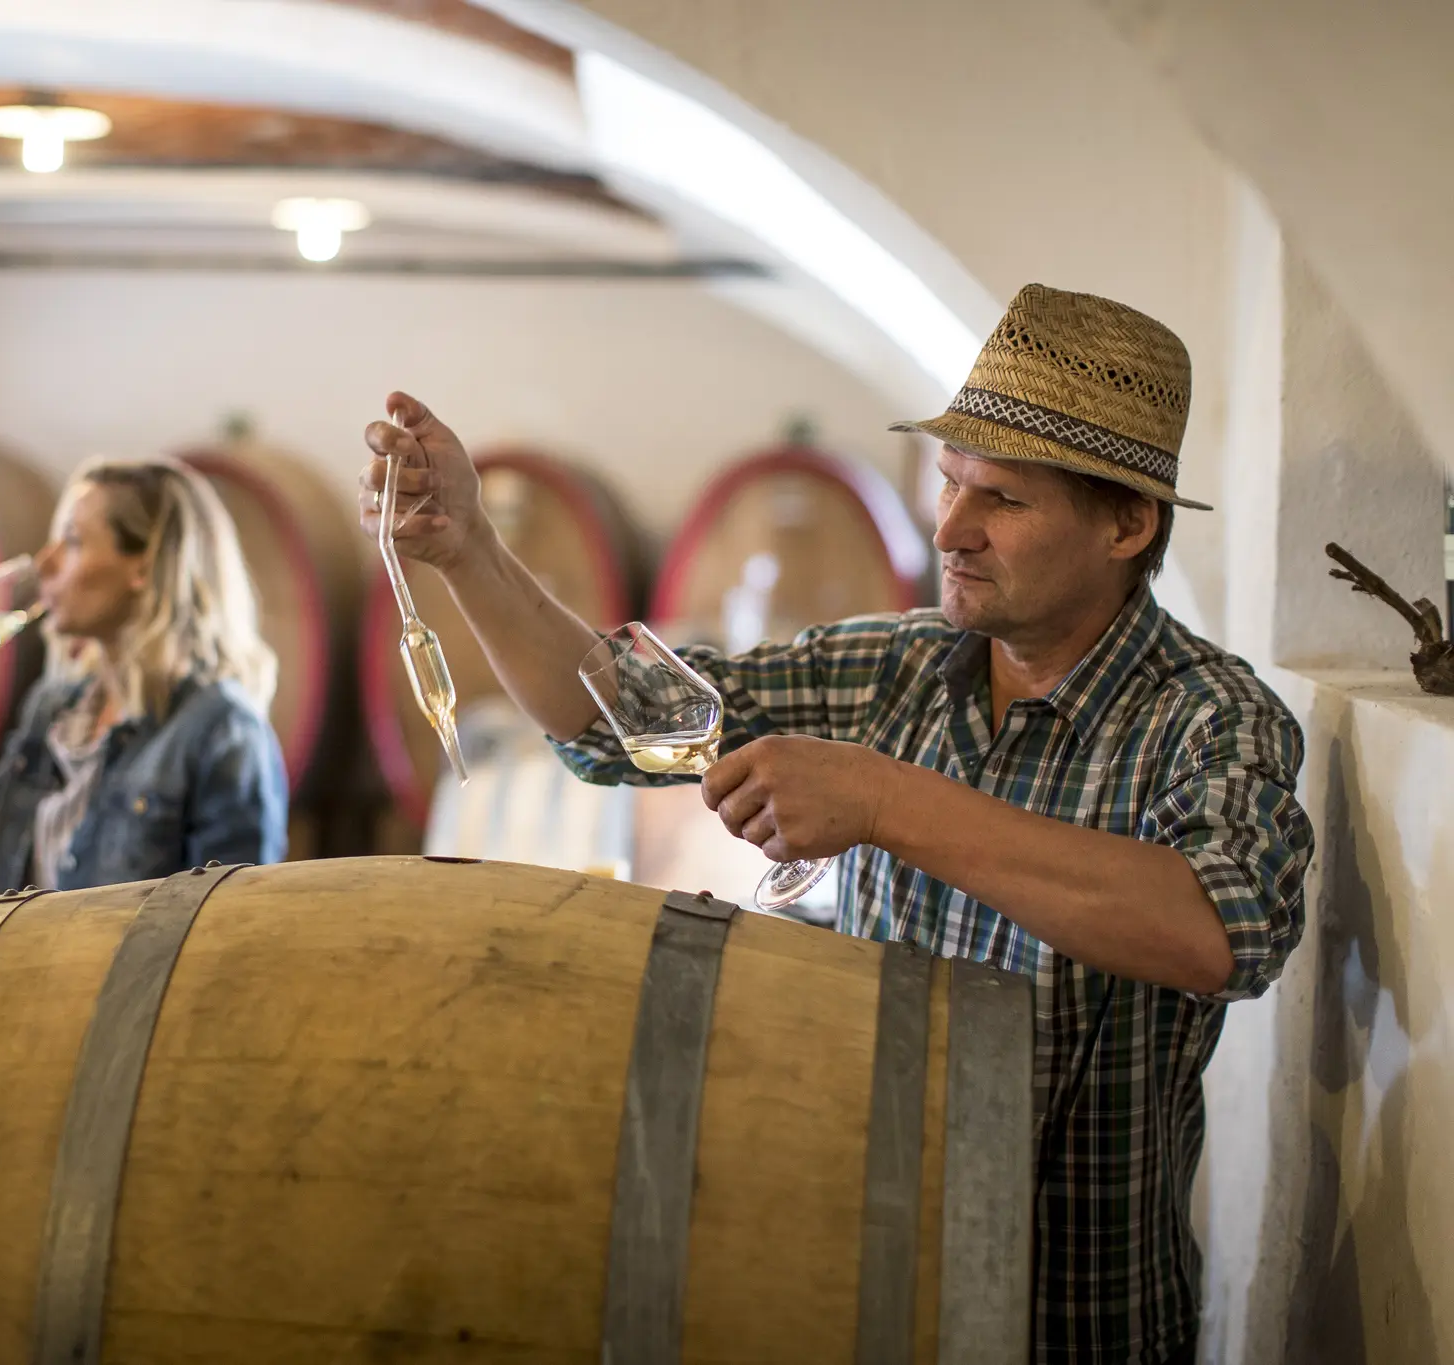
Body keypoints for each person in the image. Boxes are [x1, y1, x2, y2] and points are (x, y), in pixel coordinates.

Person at [358, 284, 1313, 1365]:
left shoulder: (1211, 717)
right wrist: (468, 550)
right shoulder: (896, 664)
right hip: (851, 1293)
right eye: (947, 484)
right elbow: (612, 723)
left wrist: (885, 801)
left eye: (999, 499)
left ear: (1125, 525)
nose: (949, 529)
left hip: (1069, 1321)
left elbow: (1219, 931)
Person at [0, 455, 288, 894]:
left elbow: (227, 932)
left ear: (145, 565)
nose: (45, 563)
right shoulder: (57, 709)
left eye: (73, 540)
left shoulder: (223, 732)